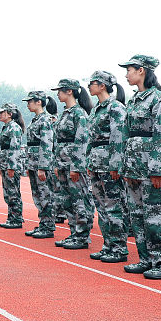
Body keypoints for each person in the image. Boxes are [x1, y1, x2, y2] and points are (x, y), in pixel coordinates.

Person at [117, 56, 161, 278]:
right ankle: (146, 258)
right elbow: (126, 135)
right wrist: (124, 165)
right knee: (138, 214)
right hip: (133, 165)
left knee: (156, 215)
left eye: (129, 70)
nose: (126, 74)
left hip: (151, 165)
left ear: (141, 71)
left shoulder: (157, 99)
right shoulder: (134, 100)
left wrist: (159, 168)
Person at [85, 71, 128, 262]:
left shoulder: (115, 108)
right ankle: (108, 245)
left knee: (114, 206)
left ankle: (119, 248)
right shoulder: (96, 109)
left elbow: (118, 137)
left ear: (102, 85)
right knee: (101, 207)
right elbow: (90, 139)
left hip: (109, 163)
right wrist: (88, 161)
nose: (89, 86)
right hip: (96, 163)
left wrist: (116, 164)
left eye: (92, 83)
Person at [51, 79, 92, 250]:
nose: (57, 94)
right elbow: (58, 141)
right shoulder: (65, 113)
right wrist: (56, 163)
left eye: (60, 90)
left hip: (73, 164)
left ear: (70, 91)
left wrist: (77, 166)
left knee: (79, 199)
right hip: (62, 163)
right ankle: (74, 233)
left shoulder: (79, 114)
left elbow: (82, 141)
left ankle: (82, 236)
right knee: (66, 199)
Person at [24, 92, 58, 238]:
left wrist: (43, 167)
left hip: (40, 163)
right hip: (33, 162)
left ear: (39, 102)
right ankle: (43, 223)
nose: (28, 104)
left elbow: (46, 144)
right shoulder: (35, 120)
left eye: (30, 101)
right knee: (37, 194)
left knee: (45, 194)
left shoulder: (45, 120)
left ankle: (48, 226)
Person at [0, 103, 26, 229]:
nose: (0, 114)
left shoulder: (14, 128)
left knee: (13, 192)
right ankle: (12, 217)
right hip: (5, 163)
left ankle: (16, 218)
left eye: (2, 112)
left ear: (10, 114)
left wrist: (11, 166)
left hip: (10, 164)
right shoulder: (6, 127)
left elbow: (15, 148)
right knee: (8, 192)